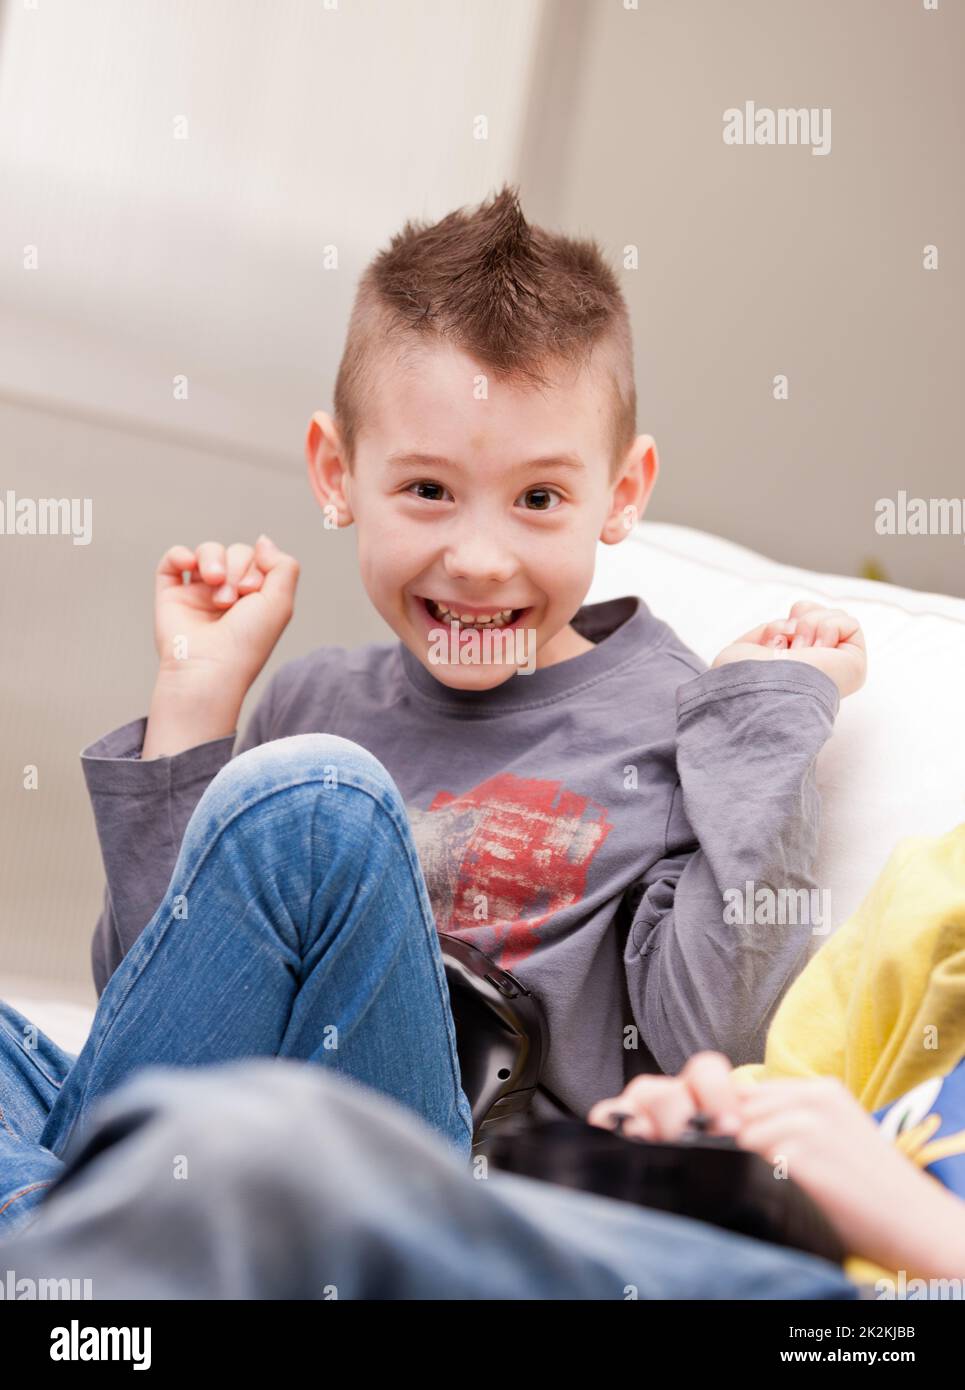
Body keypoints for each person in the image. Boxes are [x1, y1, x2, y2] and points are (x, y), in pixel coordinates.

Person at [0, 185, 867, 1235]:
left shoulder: (674, 721)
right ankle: (74, 1236)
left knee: (319, 801)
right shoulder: (315, 701)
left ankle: (64, 1237)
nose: (477, 557)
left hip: (443, 1186)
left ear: (621, 493)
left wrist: (752, 729)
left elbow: (711, 1043)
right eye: (426, 490)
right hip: (227, 1156)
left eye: (538, 498)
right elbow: (156, 1014)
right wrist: (197, 698)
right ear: (338, 473)